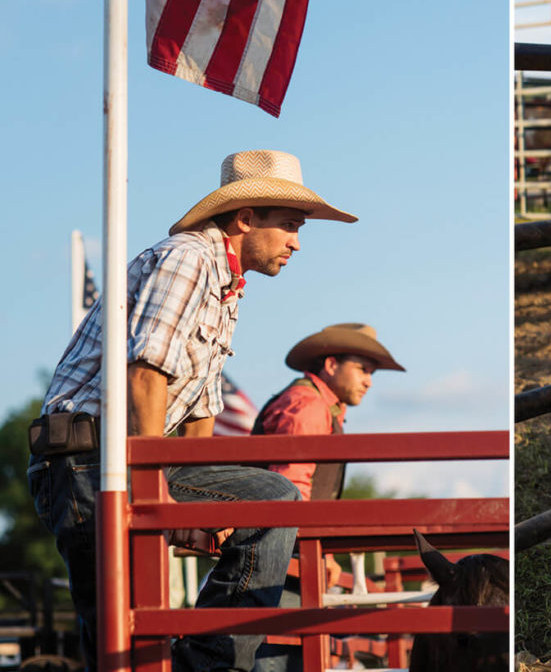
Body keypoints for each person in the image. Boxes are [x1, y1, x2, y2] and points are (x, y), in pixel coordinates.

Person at [27, 150, 357, 672]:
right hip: (88, 461)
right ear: (246, 218)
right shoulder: (189, 259)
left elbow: (202, 405)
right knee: (121, 630)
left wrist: (198, 492)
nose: (297, 242)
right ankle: (207, 662)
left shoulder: (226, 287)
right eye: (291, 226)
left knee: (126, 631)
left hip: (117, 457)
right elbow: (145, 372)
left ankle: (201, 659)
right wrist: (164, 486)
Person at [251, 323, 404, 672]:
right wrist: (314, 549)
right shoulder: (308, 405)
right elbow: (290, 487)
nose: (369, 381)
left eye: (372, 373)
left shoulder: (321, 406)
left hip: (278, 553)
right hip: (279, 558)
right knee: (278, 658)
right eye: (362, 369)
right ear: (332, 365)